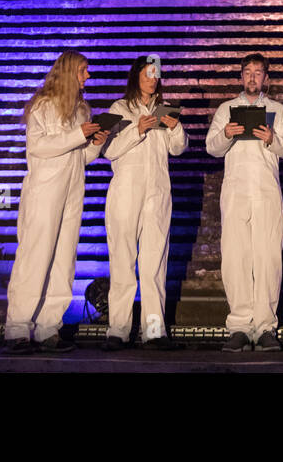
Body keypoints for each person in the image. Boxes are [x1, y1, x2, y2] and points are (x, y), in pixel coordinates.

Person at [3, 51, 108, 354]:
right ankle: (18, 329)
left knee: (64, 262)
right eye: (83, 71)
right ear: (69, 72)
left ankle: (49, 328)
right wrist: (78, 135)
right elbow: (38, 147)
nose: (87, 76)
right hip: (44, 192)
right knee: (35, 259)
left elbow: (80, 156)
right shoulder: (43, 106)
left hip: (72, 192)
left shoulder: (81, 110)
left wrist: (94, 145)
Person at [205, 53, 283, 351]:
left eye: (258, 73)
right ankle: (240, 326)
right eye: (248, 72)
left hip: (267, 192)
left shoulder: (277, 110)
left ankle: (266, 326)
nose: (253, 78)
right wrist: (225, 134)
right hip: (235, 193)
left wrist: (272, 138)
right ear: (241, 77)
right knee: (235, 258)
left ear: (266, 78)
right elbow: (212, 148)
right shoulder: (226, 109)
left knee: (268, 258)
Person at [100, 55, 187, 350]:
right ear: (136, 76)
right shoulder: (120, 109)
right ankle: (118, 331)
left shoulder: (164, 110)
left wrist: (175, 128)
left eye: (156, 74)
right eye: (147, 74)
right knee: (123, 262)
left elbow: (178, 149)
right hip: (126, 192)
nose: (152, 79)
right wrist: (137, 130)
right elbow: (108, 151)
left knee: (153, 266)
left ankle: (153, 331)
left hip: (157, 194)